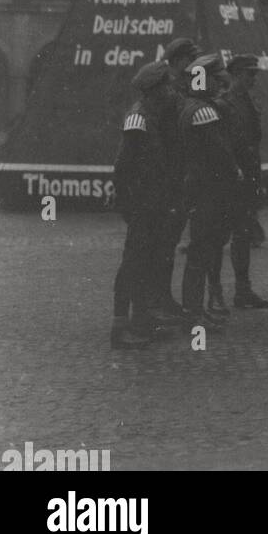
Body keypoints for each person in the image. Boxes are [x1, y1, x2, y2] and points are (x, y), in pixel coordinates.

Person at [110, 60, 181, 349]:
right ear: (155, 90)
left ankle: (141, 321)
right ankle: (119, 327)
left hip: (156, 204)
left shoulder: (155, 118)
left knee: (148, 263)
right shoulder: (138, 119)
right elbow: (122, 167)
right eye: (166, 86)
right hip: (142, 205)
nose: (171, 90)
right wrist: (128, 206)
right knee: (132, 264)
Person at [178, 52, 243, 328]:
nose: (219, 85)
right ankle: (193, 310)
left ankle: (193, 309)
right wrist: (235, 173)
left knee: (200, 249)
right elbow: (220, 152)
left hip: (196, 187)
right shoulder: (204, 112)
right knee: (202, 249)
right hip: (209, 190)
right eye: (216, 80)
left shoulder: (188, 106)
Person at [209, 54, 268, 310]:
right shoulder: (223, 103)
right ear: (236, 75)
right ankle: (214, 293)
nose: (254, 79)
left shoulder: (248, 101)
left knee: (243, 233)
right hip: (231, 177)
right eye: (250, 74)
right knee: (219, 236)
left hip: (248, 175)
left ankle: (243, 290)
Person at [152, 35, 201, 315]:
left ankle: (163, 296)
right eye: (191, 58)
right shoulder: (169, 90)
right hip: (169, 176)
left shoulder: (181, 87)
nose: (194, 63)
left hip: (179, 174)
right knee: (163, 241)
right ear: (181, 60)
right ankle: (157, 299)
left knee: (169, 241)